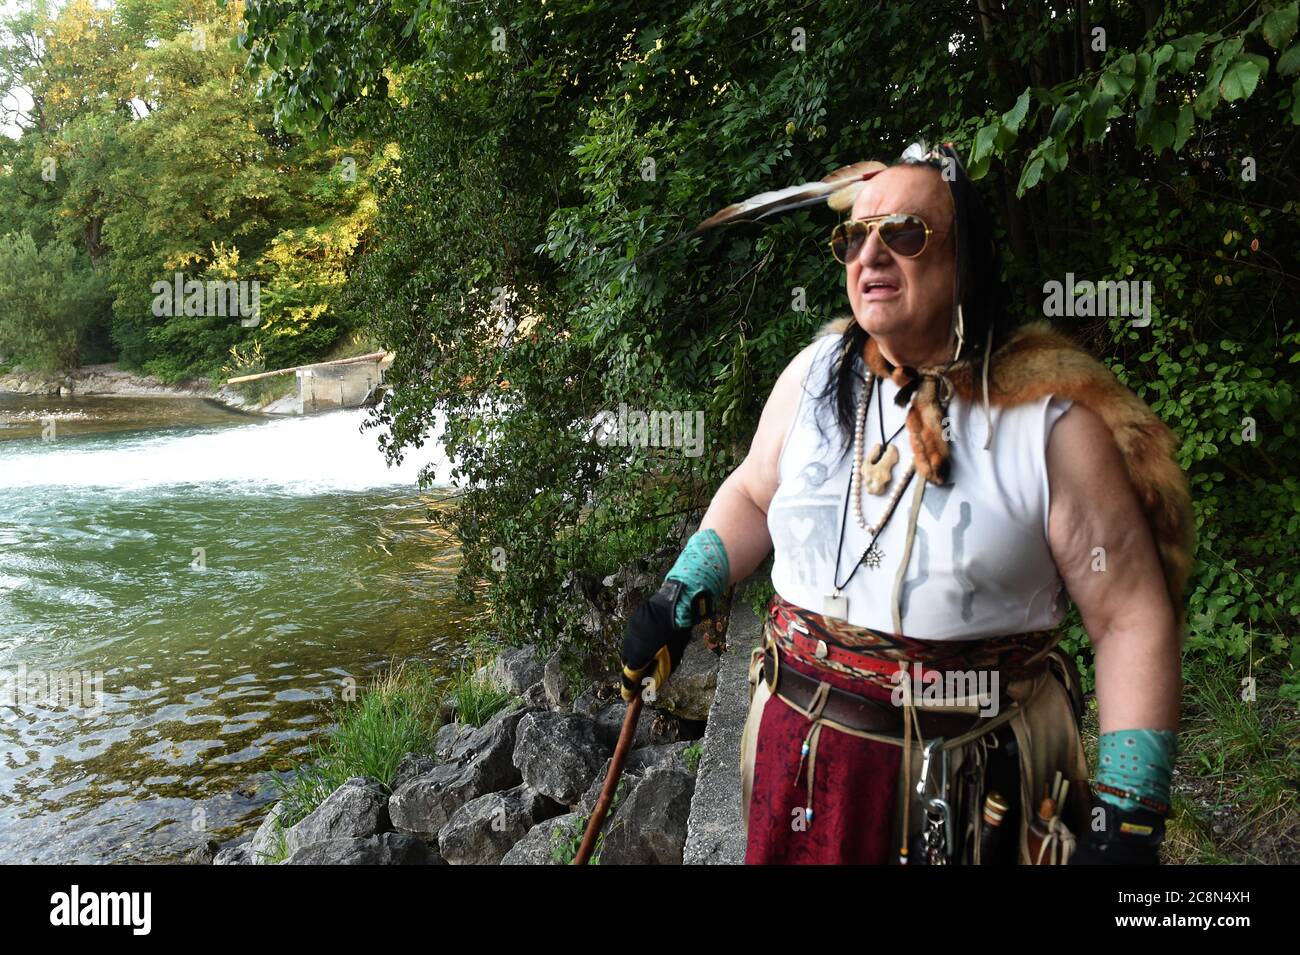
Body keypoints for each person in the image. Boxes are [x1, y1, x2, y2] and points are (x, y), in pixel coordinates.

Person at [620, 143, 1194, 864]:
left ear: (967, 258)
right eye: (854, 236)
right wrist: (684, 588)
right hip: (799, 772)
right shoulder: (812, 377)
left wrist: (1129, 813)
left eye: (905, 232)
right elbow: (752, 491)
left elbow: (1131, 615)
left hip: (978, 787)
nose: (872, 253)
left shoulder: (1053, 424)